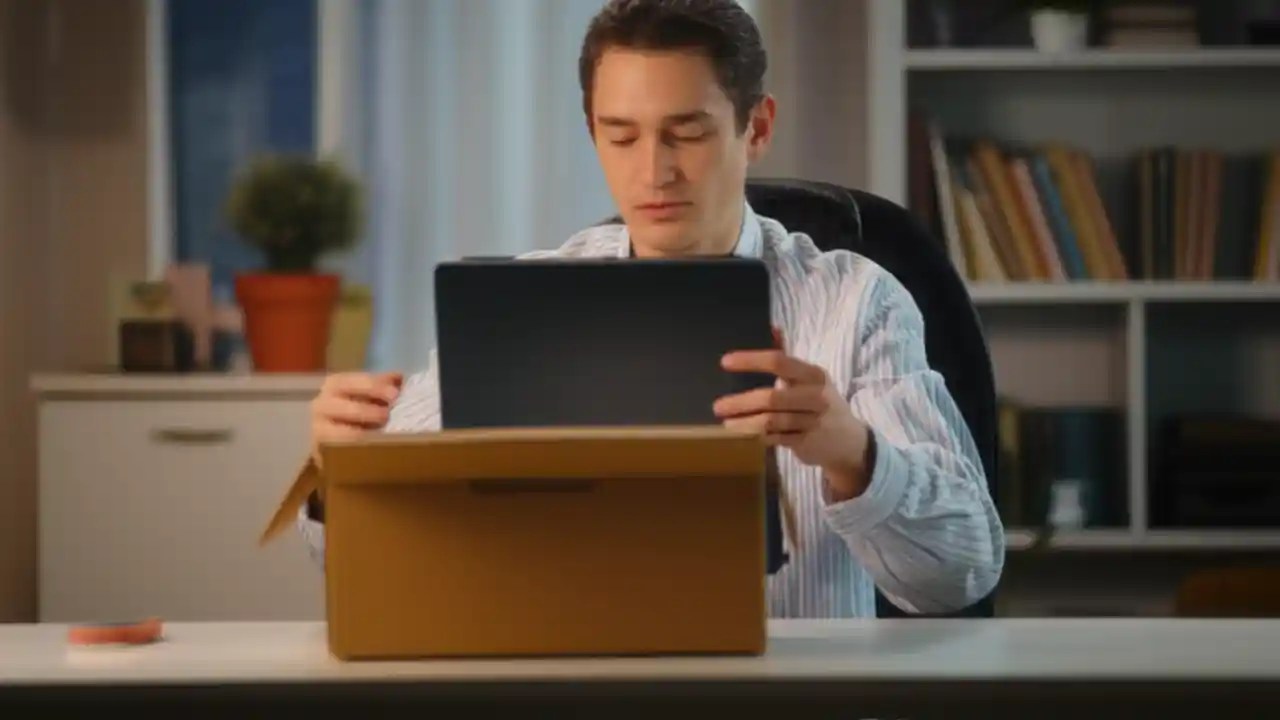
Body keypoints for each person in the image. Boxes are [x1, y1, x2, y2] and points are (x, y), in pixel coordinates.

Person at [302, 0, 1004, 618]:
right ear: (591, 131)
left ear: (755, 128)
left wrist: (854, 450)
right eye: (621, 134)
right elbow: (351, 554)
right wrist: (341, 471)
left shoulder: (859, 301)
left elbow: (963, 576)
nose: (653, 172)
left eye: (687, 133)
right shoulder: (526, 304)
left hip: (789, 698)